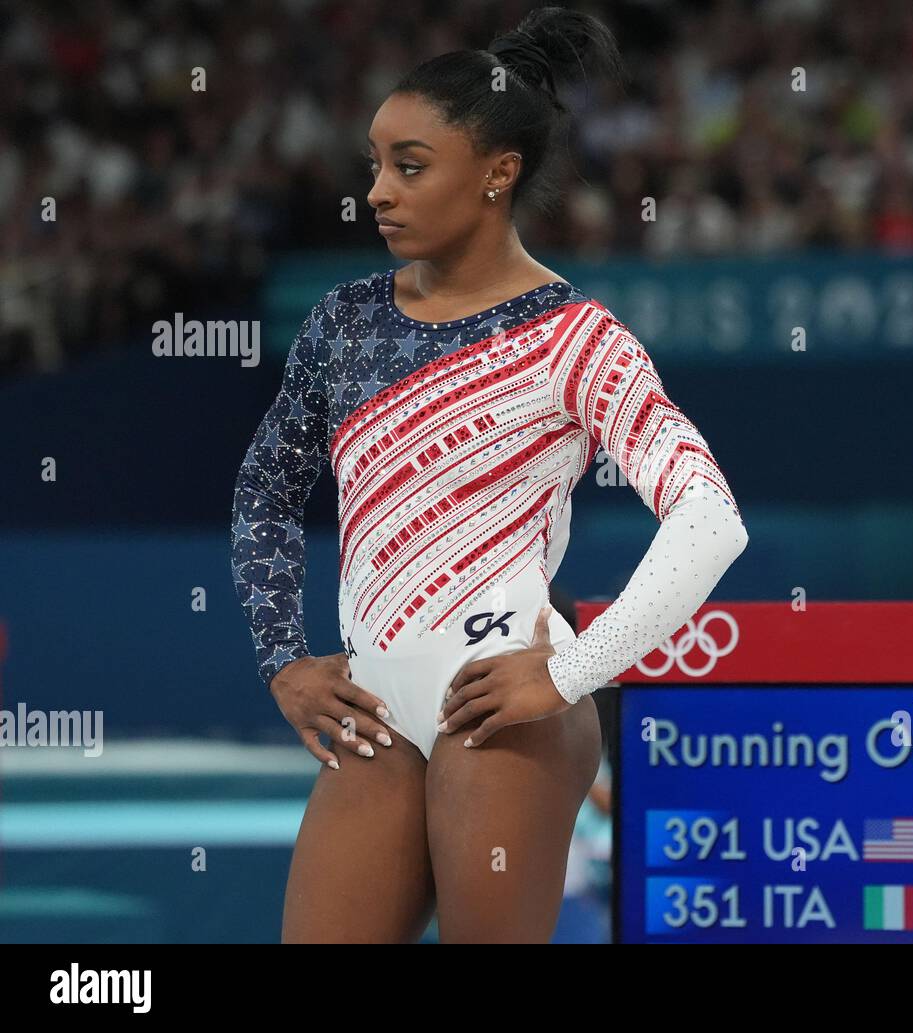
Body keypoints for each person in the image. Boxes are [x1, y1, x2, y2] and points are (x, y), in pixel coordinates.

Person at [229, 7, 747, 943]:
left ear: (497, 175)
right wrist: (283, 662)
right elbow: (264, 489)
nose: (378, 192)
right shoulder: (341, 324)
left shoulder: (575, 340)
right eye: (376, 164)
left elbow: (711, 518)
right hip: (377, 719)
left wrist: (576, 670)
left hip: (506, 714)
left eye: (410, 165)